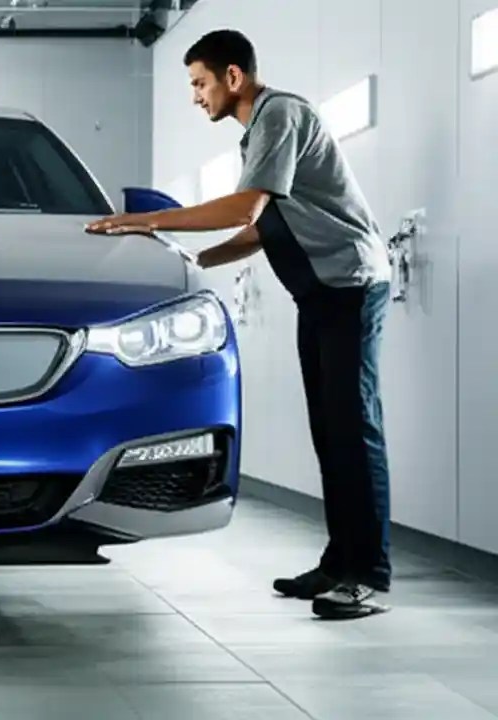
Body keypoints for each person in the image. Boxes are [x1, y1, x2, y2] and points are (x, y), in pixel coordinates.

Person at [86, 29, 394, 620]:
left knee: (353, 429)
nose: (196, 96)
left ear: (233, 77)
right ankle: (339, 561)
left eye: (200, 83)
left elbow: (243, 208)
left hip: (352, 286)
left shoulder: (280, 114)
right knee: (330, 430)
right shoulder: (259, 134)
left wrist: (149, 221)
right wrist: (195, 260)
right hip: (323, 293)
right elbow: (262, 228)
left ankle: (368, 574)